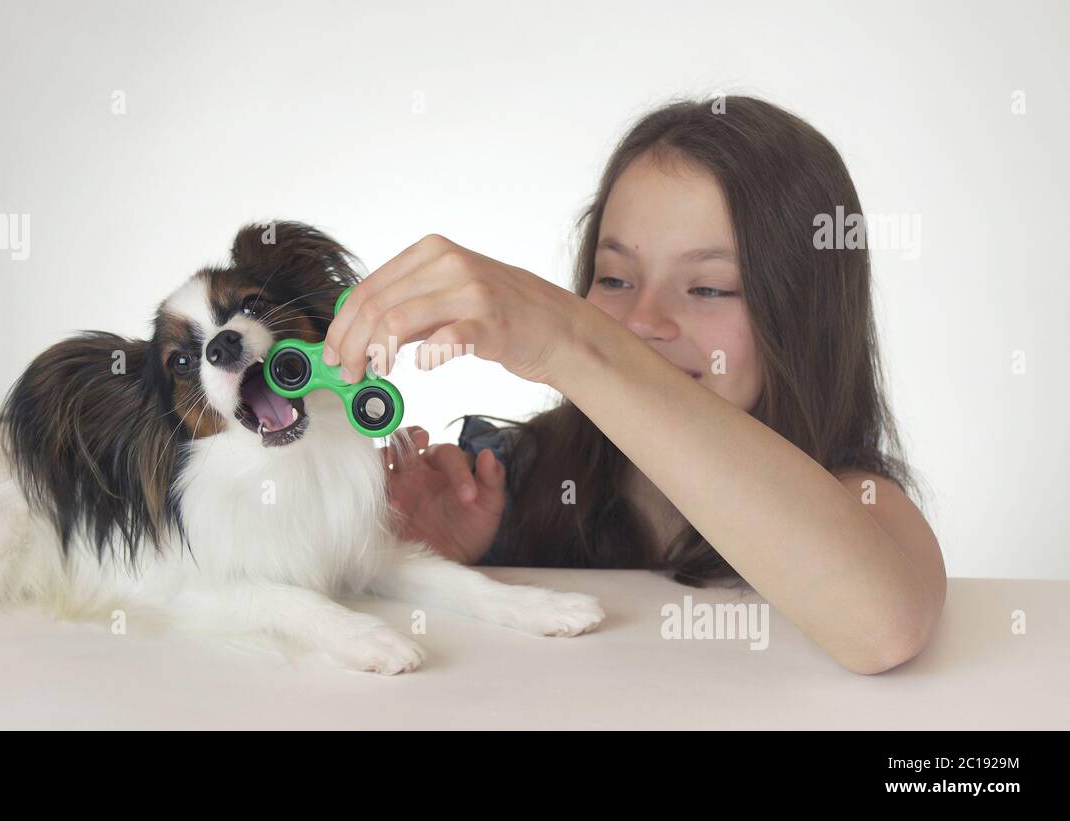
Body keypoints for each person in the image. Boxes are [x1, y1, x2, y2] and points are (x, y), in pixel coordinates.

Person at [321, 96, 945, 675]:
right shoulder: (498, 478)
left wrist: (574, 341)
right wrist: (398, 563)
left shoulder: (857, 502)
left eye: (708, 288)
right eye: (615, 279)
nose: (643, 323)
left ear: (807, 316)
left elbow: (882, 630)